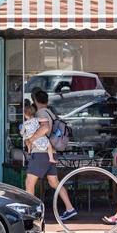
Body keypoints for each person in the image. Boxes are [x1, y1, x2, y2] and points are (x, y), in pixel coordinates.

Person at [26, 90, 78, 222]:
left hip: (40, 153)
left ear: (35, 100)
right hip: (51, 152)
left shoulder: (40, 113)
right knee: (54, 183)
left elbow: (44, 128)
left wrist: (31, 139)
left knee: (29, 183)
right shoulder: (50, 112)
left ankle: (31, 213)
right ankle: (70, 208)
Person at [21, 100, 56, 164]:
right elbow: (45, 120)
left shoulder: (25, 123)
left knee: (29, 142)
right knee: (49, 146)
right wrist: (47, 119)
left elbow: (22, 132)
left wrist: (24, 134)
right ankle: (51, 158)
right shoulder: (36, 119)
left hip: (31, 137)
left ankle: (29, 151)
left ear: (25, 115)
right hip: (40, 138)